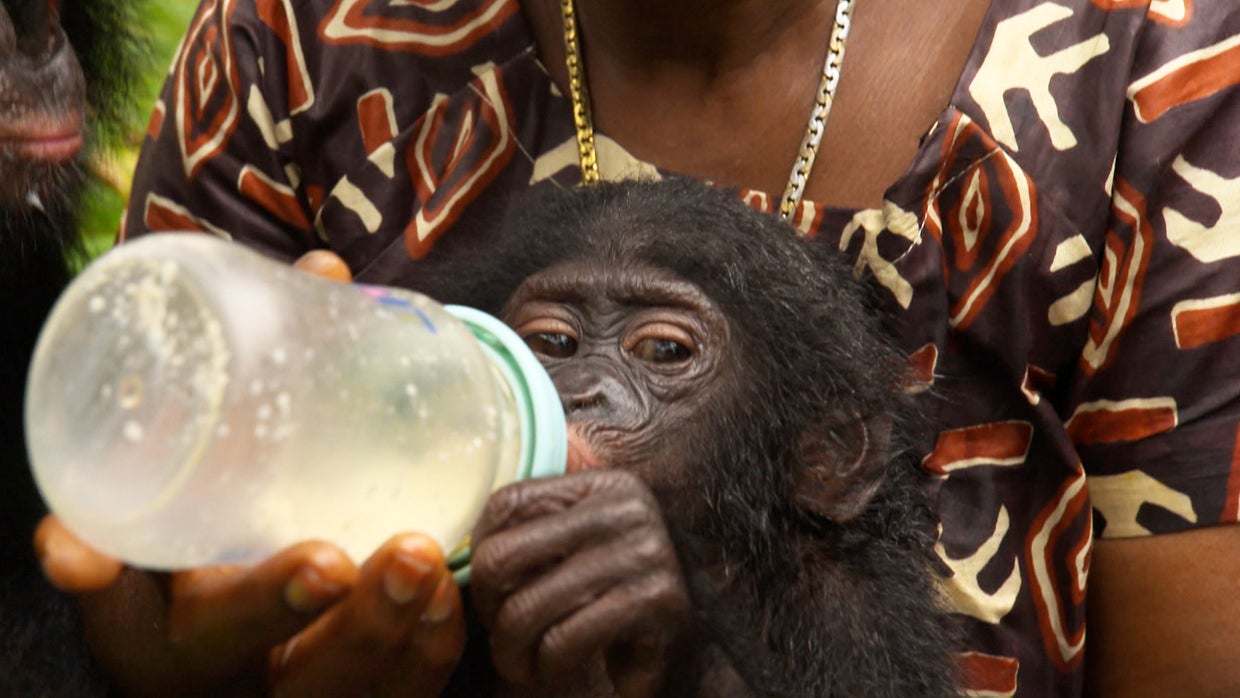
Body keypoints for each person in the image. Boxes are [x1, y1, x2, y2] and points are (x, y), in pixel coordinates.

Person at [37, 0, 1240, 695]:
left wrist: (703, 650)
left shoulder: (1156, 78)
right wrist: (209, 624)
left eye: (659, 352)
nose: (577, 396)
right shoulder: (295, 41)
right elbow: (127, 606)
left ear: (829, 457)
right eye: (548, 343)